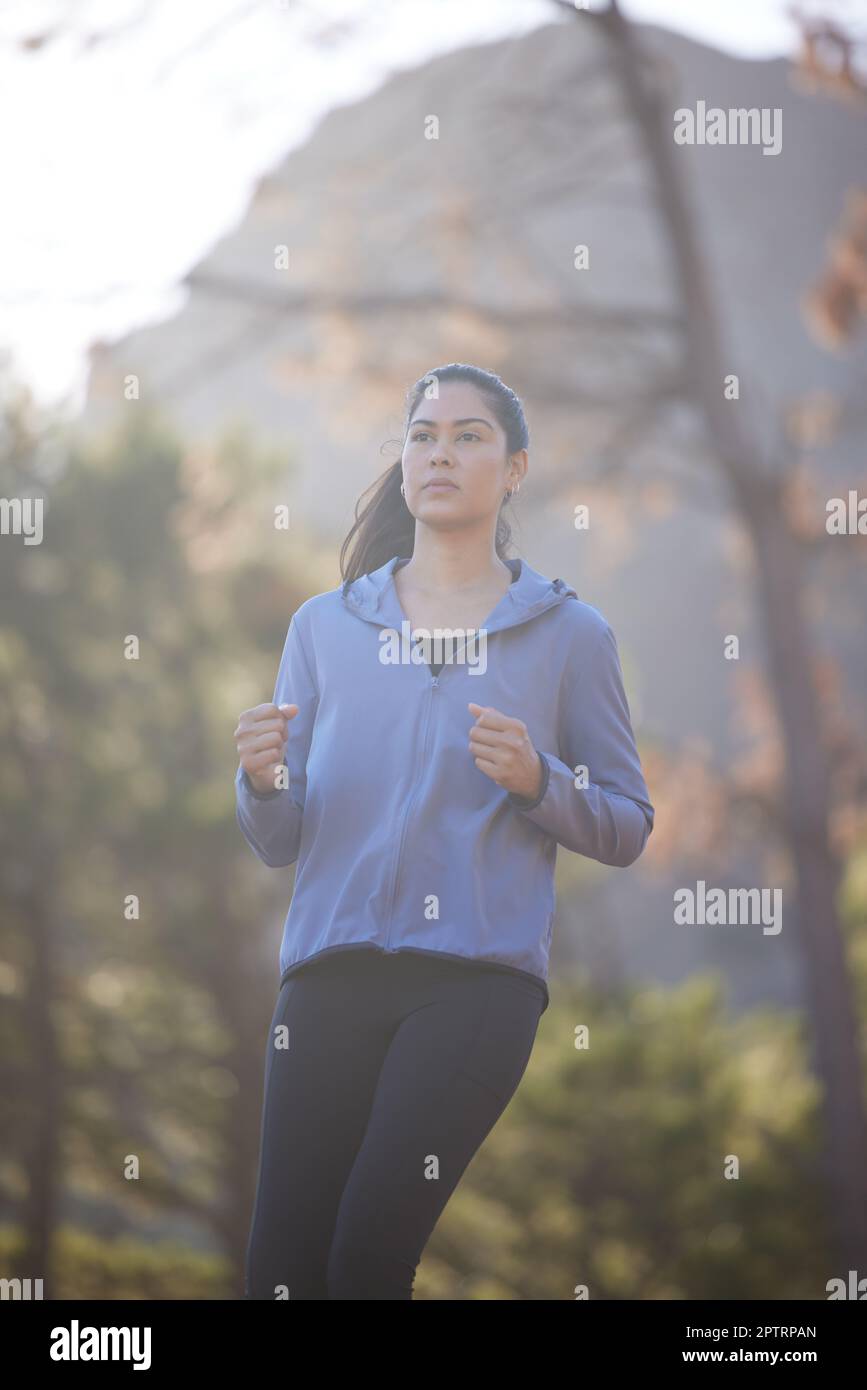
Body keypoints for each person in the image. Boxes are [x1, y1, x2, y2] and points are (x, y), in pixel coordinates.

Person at [234, 362, 654, 1300]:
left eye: (469, 437)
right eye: (423, 435)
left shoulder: (567, 634)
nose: (440, 453)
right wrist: (260, 781)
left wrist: (538, 780)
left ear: (513, 471)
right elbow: (278, 836)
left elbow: (627, 824)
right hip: (327, 976)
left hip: (474, 987)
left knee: (366, 1262)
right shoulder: (325, 627)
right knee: (279, 1276)